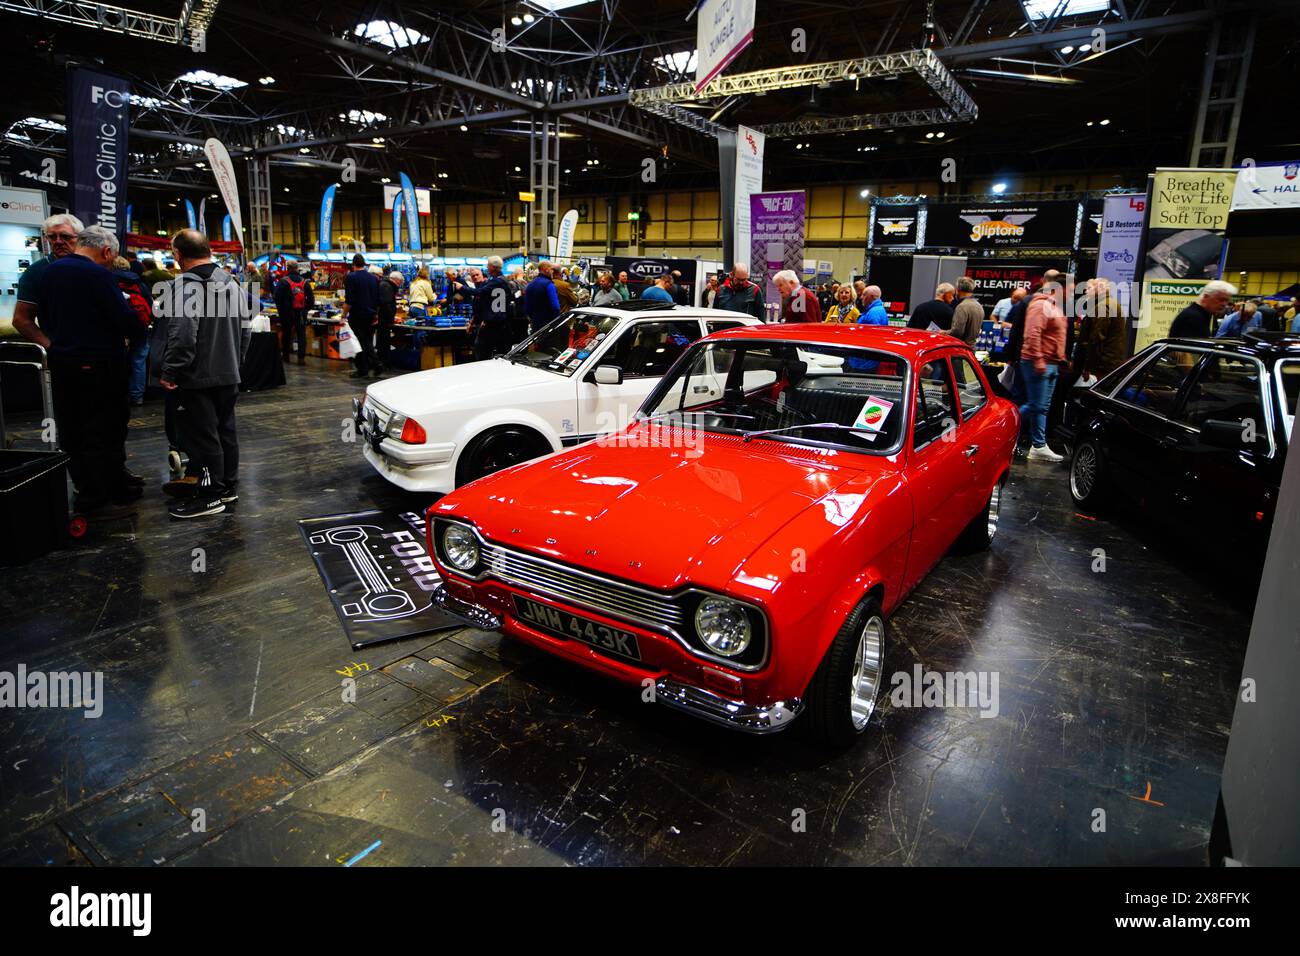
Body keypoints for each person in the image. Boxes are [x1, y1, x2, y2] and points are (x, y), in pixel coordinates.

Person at [26, 226, 146, 515]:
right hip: (101, 363)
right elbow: (125, 320)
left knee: (73, 429)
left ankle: (87, 490)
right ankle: (107, 491)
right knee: (107, 429)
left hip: (63, 362)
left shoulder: (46, 273)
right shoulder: (98, 274)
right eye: (111, 257)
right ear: (106, 252)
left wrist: (54, 347)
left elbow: (33, 318)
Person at [157, 229, 252, 519]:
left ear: (177, 255)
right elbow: (246, 328)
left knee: (201, 436)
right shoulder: (232, 283)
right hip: (228, 372)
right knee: (225, 431)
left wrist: (171, 370)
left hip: (197, 376)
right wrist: (236, 361)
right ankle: (227, 487)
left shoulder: (184, 286)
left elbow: (183, 336)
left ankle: (210, 496)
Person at [11, 213, 85, 348]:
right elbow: (21, 319)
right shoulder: (35, 271)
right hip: (62, 352)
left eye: (65, 236)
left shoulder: (92, 267)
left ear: (79, 238)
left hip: (97, 351)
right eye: (52, 237)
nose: (58, 241)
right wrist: (51, 347)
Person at [1019, 278, 1069, 462]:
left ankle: (1038, 445)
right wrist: (1039, 359)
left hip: (1051, 363)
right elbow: (1032, 334)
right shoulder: (1040, 306)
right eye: (1069, 289)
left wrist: (1061, 359)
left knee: (1040, 407)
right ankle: (1037, 444)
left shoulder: (1056, 307)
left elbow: (1056, 336)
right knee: (1036, 406)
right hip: (1037, 362)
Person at [111, 256, 154, 405]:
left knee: (115, 360)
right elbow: (149, 304)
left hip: (117, 327)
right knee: (139, 360)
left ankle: (118, 395)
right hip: (139, 325)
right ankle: (137, 396)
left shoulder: (109, 280)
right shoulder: (139, 282)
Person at [342, 253, 381, 378]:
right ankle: (364, 368)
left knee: (359, 342)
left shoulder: (351, 277)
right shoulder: (373, 278)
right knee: (367, 340)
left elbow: (349, 300)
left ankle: (374, 364)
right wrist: (376, 314)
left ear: (353, 265)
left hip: (357, 315)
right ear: (364, 264)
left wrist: (343, 315)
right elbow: (377, 298)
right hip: (371, 314)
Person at [1079, 278, 1127, 380]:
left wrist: (1087, 367)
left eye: (1089, 288)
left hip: (1102, 364)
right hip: (1109, 361)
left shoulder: (1102, 306)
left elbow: (1096, 338)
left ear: (1099, 289)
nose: (1086, 291)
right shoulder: (1111, 303)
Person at [468, 256, 513, 361]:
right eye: (473, 275)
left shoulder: (491, 284)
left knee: (483, 351)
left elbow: (492, 304)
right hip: (492, 322)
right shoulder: (496, 282)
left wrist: (462, 288)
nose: (475, 277)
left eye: (477, 275)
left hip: (493, 323)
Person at [273, 262, 313, 365]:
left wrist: (281, 311)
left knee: (286, 334)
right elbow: (311, 299)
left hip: (287, 313)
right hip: (300, 313)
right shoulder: (305, 282)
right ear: (297, 268)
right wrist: (305, 310)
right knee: (301, 334)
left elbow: (276, 298)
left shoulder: (283, 281)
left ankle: (286, 357)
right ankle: (301, 358)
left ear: (287, 268)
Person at [1169, 280, 1236, 338]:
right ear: (1206, 296)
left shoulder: (1200, 314)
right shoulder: (1194, 318)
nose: (1224, 304)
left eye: (1226, 301)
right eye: (1220, 299)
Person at [524, 261, 561, 333]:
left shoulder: (530, 285)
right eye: (551, 269)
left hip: (535, 324)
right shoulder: (549, 284)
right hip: (548, 325)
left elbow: (527, 307)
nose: (552, 271)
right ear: (546, 269)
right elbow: (556, 307)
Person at [949, 276, 983, 347]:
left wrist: (943, 332)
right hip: (972, 348)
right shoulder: (978, 305)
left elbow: (957, 332)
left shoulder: (962, 306)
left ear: (958, 289)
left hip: (961, 348)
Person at [374, 267, 397, 368]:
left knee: (382, 340)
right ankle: (383, 362)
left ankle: (381, 361)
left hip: (381, 318)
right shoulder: (386, 286)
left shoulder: (384, 285)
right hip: (384, 319)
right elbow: (386, 303)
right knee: (384, 340)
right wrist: (391, 318)